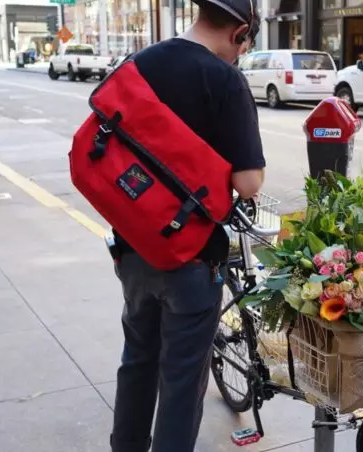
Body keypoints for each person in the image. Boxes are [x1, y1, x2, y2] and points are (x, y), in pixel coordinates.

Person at [108, 0, 265, 450]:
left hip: (134, 244)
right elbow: (249, 183)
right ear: (240, 31)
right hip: (192, 256)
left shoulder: (138, 63)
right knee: (181, 380)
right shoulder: (224, 79)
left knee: (137, 359)